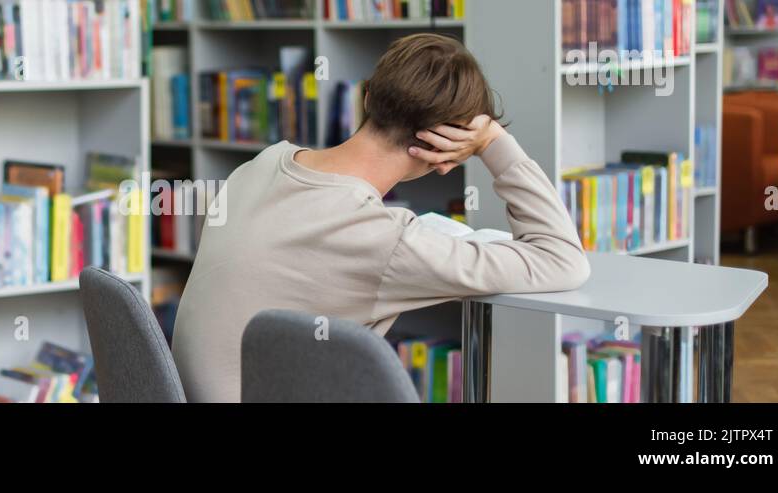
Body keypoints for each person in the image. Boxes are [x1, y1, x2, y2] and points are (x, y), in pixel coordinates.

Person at [170, 34, 591, 403]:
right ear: (445, 151)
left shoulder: (261, 165)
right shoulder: (385, 241)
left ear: (367, 96)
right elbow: (563, 260)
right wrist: (494, 143)